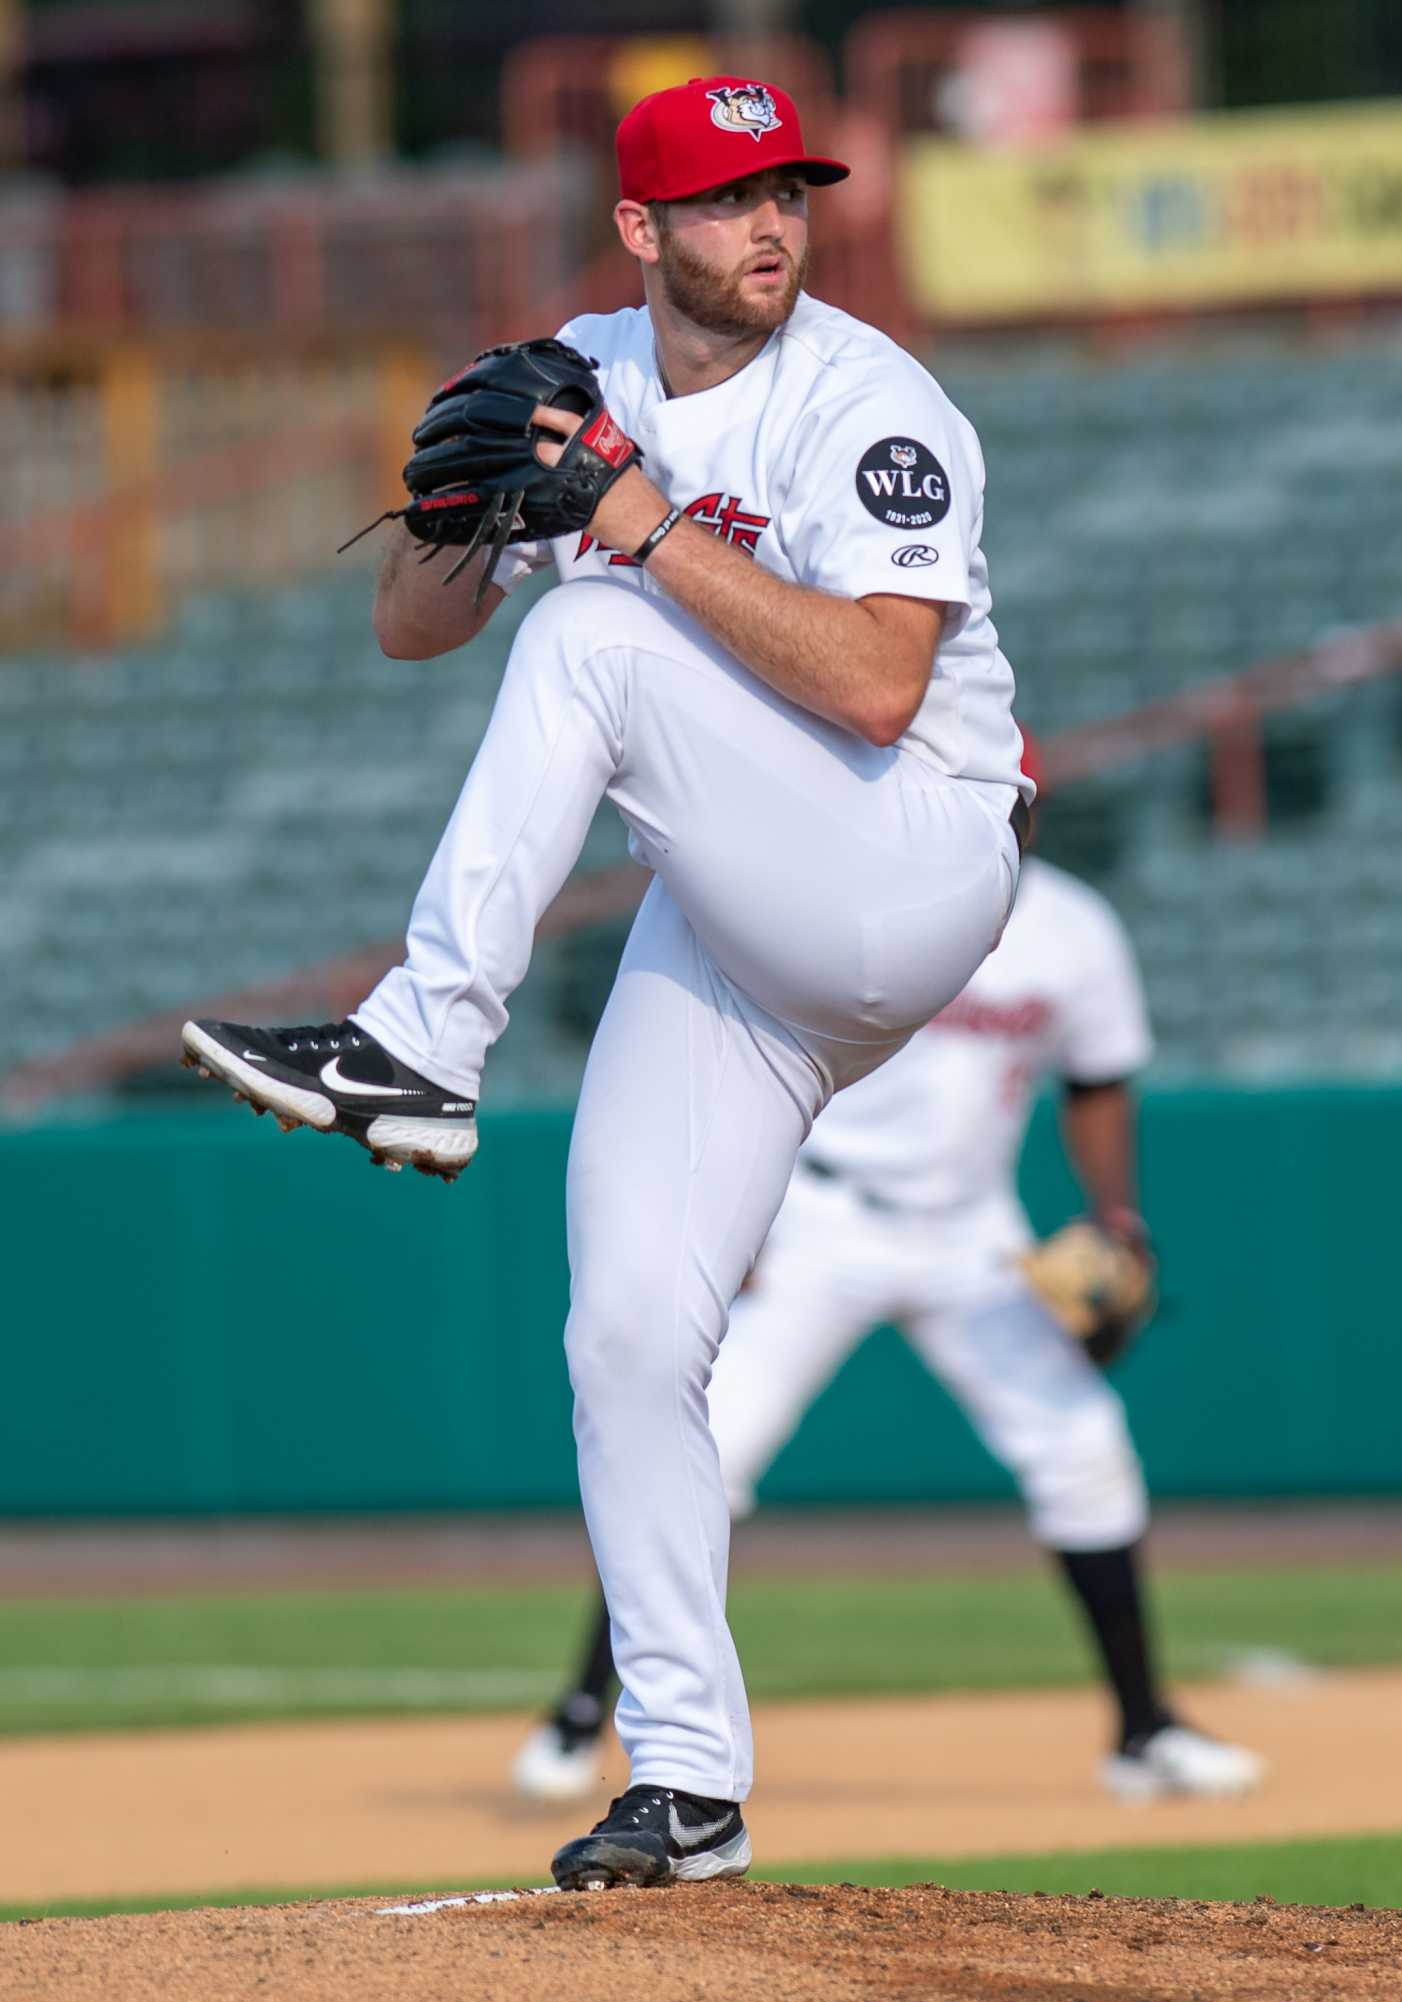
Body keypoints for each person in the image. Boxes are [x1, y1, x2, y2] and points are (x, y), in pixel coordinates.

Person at [179, 75, 1029, 1890]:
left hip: (908, 859)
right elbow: (412, 631)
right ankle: (687, 1783)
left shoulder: (872, 404)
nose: (769, 227)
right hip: (733, 911)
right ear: (641, 230)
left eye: (785, 189)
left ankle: (422, 1040)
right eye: (724, 201)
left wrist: (635, 520)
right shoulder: (579, 365)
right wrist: (458, 511)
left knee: (595, 632)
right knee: (629, 1327)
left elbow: (880, 688)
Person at [515, 734, 1266, 1810]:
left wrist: (1118, 1217)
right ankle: (585, 1710)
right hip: (819, 1212)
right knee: (704, 1450)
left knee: (1084, 1450)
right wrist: (743, 1218)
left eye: (1019, 795)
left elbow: (1099, 1077)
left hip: (973, 1235)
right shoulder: (850, 883)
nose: (1008, 809)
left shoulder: (1073, 928)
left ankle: (1144, 1728)